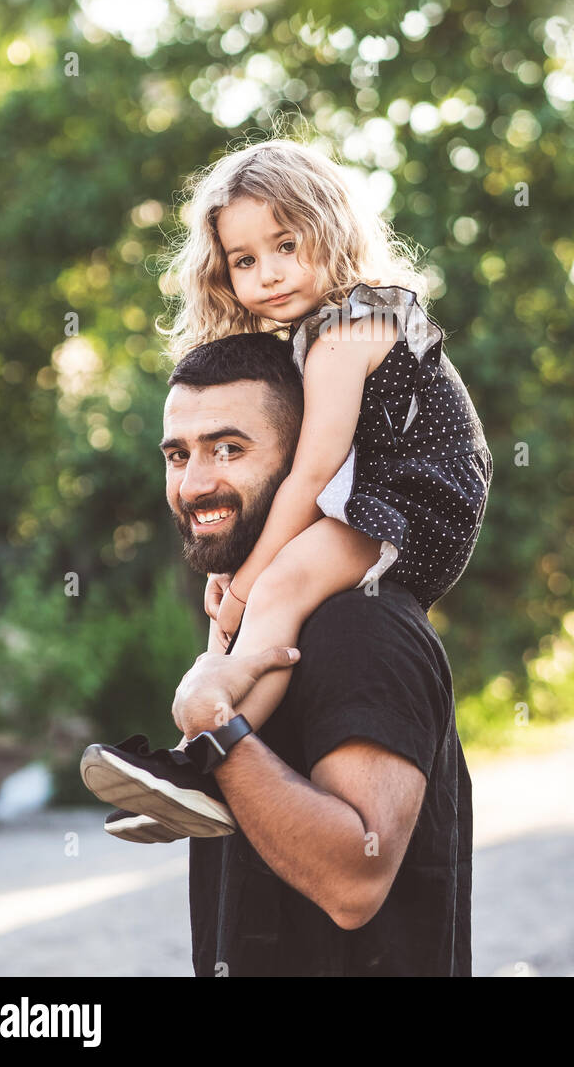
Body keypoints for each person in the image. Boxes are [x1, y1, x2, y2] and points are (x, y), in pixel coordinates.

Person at [81, 135, 492, 836]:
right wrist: (238, 578)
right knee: (249, 593)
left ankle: (208, 758)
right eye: (244, 260)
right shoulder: (310, 338)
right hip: (382, 498)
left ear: (330, 232)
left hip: (424, 503)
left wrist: (249, 582)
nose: (266, 274)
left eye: (285, 246)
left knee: (274, 589)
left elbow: (313, 471)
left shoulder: (348, 328)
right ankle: (192, 769)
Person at [93, 335, 477, 977]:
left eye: (229, 449)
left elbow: (356, 881)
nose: (194, 483)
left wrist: (215, 730)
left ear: (305, 456)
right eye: (177, 455)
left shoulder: (360, 625)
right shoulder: (261, 614)